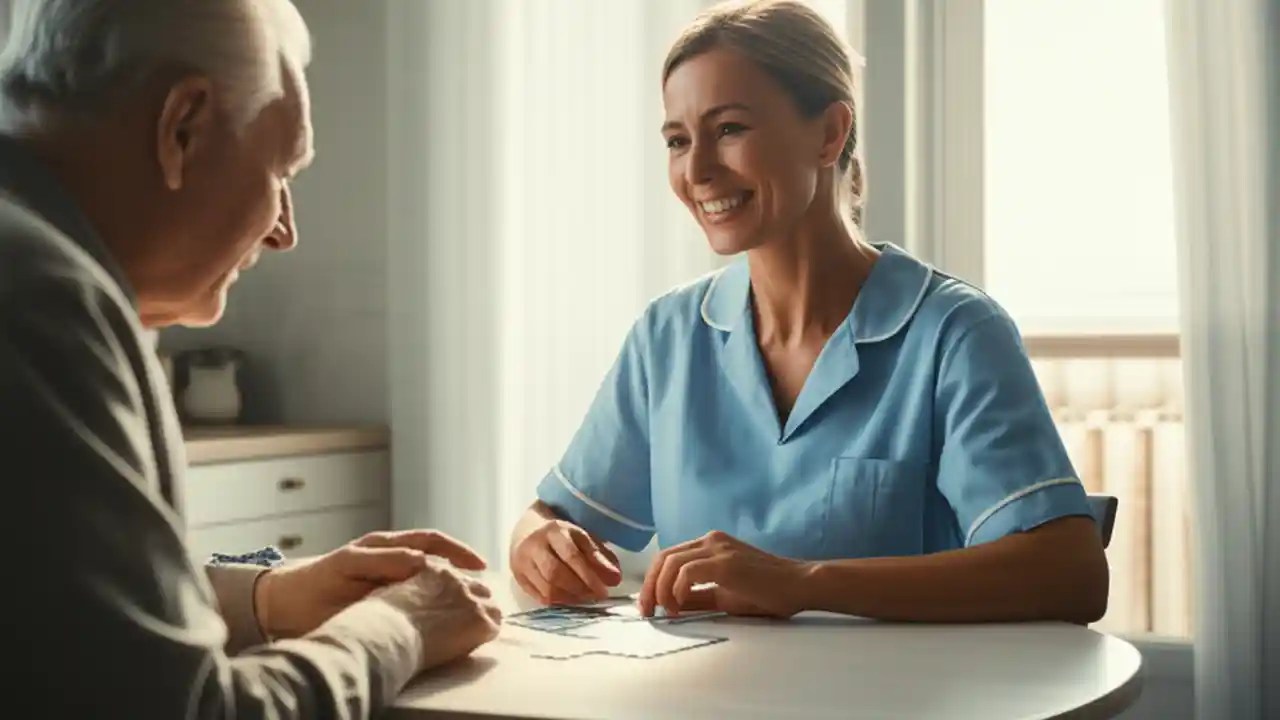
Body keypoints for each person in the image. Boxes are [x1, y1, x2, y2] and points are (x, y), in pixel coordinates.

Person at [509, 0, 1109, 624]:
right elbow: (552, 516)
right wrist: (535, 542)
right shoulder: (667, 338)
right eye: (678, 141)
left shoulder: (955, 333)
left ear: (829, 133)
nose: (698, 170)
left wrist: (803, 582)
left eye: (730, 129)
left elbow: (1071, 572)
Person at [0, 1, 500, 717]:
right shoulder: (43, 297)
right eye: (282, 170)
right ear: (183, 127)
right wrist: (402, 626)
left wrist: (268, 595)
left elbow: (56, 603)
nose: (284, 232)